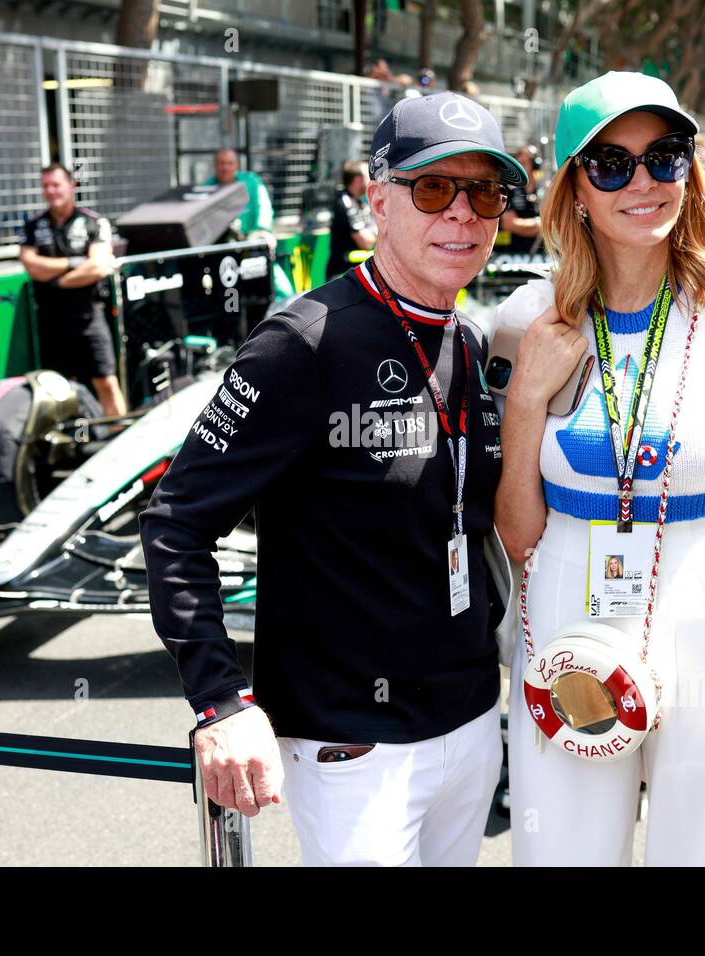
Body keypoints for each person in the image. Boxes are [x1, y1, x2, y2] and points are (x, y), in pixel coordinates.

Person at [140, 91, 527, 866]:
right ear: (378, 200)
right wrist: (219, 700)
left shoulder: (476, 340)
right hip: (354, 747)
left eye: (484, 191)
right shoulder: (303, 342)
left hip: (474, 722)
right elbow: (175, 523)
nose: (462, 214)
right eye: (432, 188)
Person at [494, 71, 705, 866]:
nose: (643, 182)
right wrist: (527, 399)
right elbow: (517, 533)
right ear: (574, 189)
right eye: (612, 164)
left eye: (664, 156)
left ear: (690, 170)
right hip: (568, 603)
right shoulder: (526, 320)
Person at [18, 163, 125, 418]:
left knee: (106, 382)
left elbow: (99, 267)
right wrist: (72, 263)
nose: (51, 191)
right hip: (51, 319)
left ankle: (118, 440)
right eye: (45, 186)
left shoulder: (93, 222)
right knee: (58, 387)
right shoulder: (33, 226)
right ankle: (76, 447)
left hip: (88, 314)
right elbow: (31, 265)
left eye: (56, 184)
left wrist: (59, 281)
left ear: (71, 186)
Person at [206, 148, 293, 298]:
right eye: (221, 163)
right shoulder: (208, 186)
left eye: (229, 163)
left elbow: (263, 208)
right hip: (222, 256)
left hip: (252, 250)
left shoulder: (251, 182)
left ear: (237, 166)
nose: (225, 167)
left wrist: (262, 231)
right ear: (215, 166)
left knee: (281, 291)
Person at [326, 160, 375, 279]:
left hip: (359, 271)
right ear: (358, 180)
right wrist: (379, 236)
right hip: (343, 275)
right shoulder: (345, 203)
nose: (372, 179)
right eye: (368, 176)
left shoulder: (360, 201)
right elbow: (365, 243)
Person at [500, 145, 543, 254]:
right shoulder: (509, 190)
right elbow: (508, 224)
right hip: (513, 257)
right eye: (518, 164)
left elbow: (556, 225)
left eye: (524, 163)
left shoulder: (545, 190)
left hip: (541, 257)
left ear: (535, 165)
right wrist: (541, 225)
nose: (520, 168)